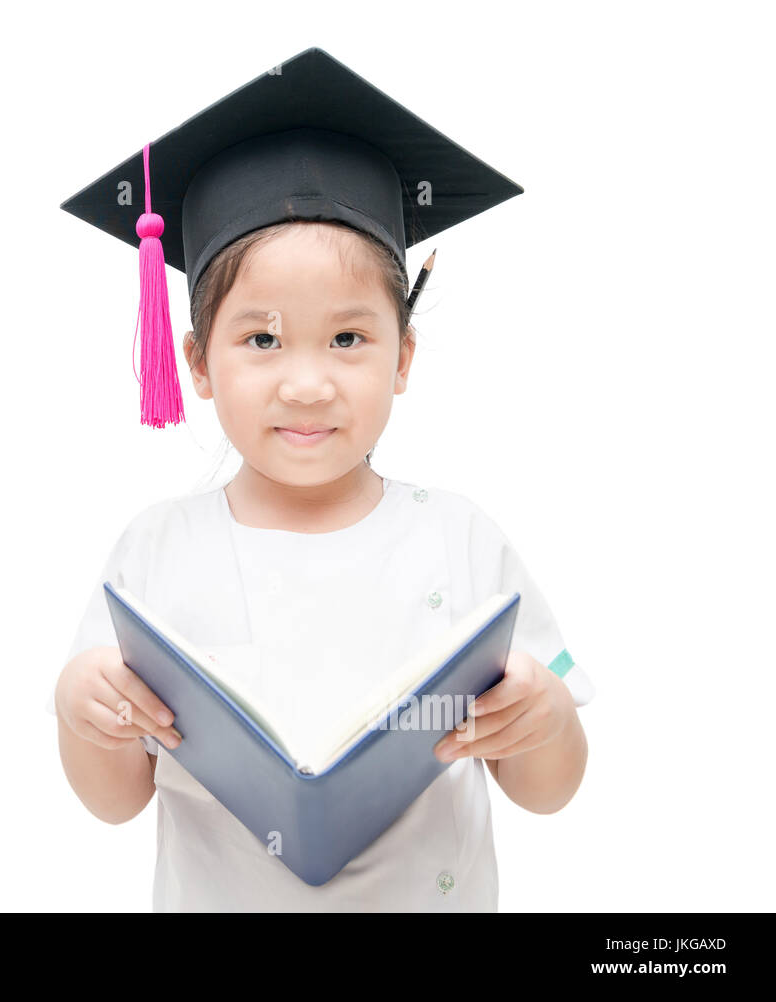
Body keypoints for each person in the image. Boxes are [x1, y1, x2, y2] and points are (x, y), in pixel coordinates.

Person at [44, 46, 595, 911]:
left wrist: (547, 719)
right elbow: (114, 800)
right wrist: (82, 709)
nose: (307, 382)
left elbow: (547, 789)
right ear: (197, 362)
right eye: (261, 339)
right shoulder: (159, 550)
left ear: (404, 355)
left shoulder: (459, 539)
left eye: (349, 338)